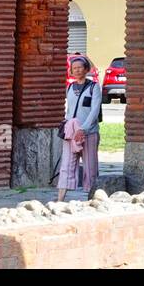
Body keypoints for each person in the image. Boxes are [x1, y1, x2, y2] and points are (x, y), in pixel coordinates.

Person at [57, 55, 102, 201]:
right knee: (67, 164)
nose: (76, 70)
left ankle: (92, 198)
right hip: (71, 132)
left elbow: (95, 110)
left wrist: (84, 128)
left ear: (86, 69)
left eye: (79, 68)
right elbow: (68, 109)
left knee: (90, 167)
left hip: (88, 133)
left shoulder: (94, 87)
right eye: (74, 68)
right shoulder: (70, 87)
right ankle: (60, 199)